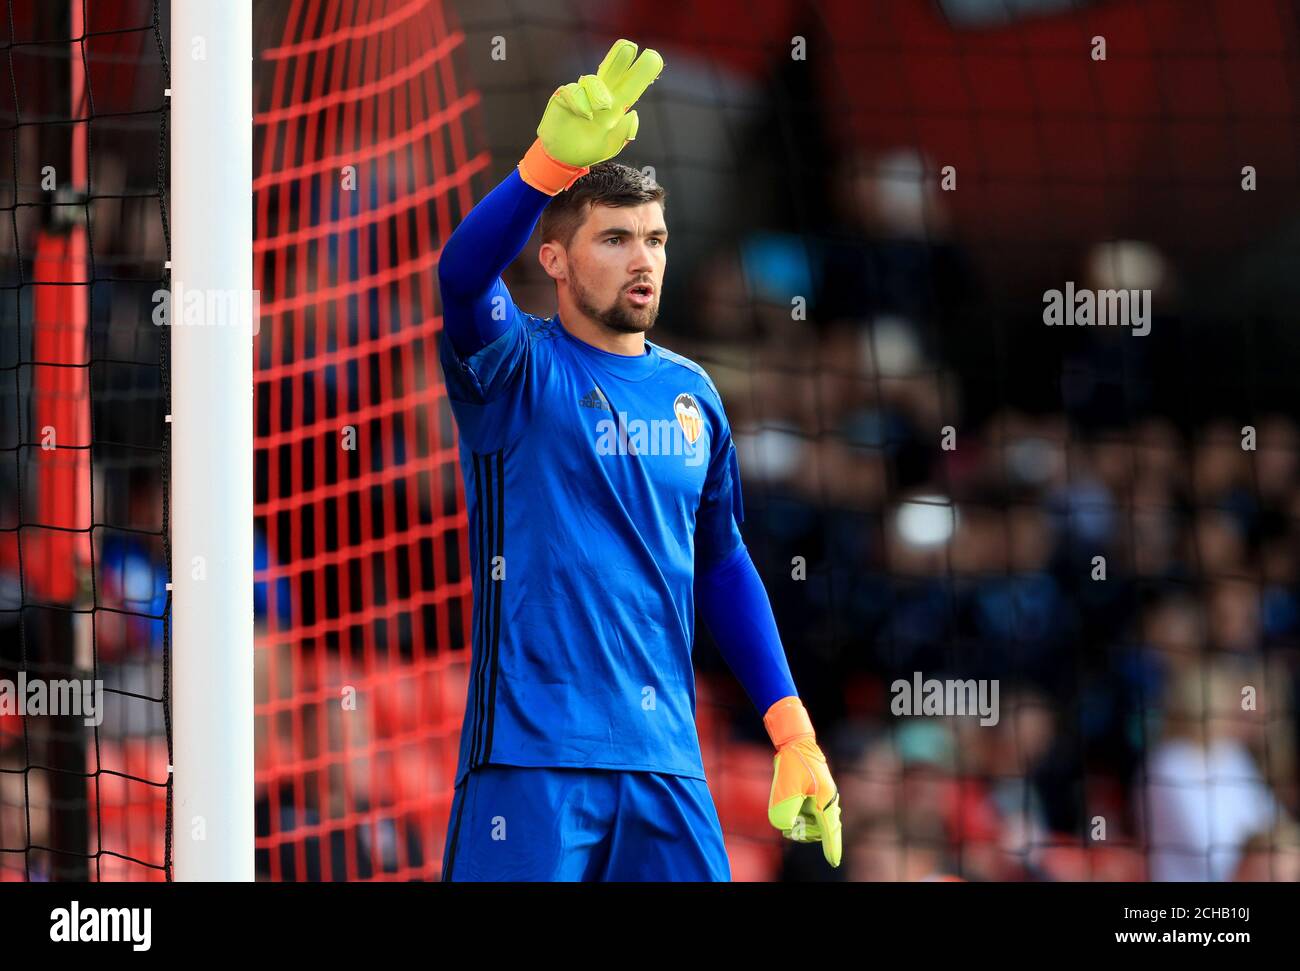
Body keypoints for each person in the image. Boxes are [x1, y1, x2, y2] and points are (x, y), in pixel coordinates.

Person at [436, 39, 841, 881]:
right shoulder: (516, 366)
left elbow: (723, 564)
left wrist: (791, 728)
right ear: (554, 260)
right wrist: (546, 168)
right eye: (616, 238)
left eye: (654, 238)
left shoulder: (696, 396)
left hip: (667, 764)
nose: (644, 258)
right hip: (531, 756)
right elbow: (462, 273)